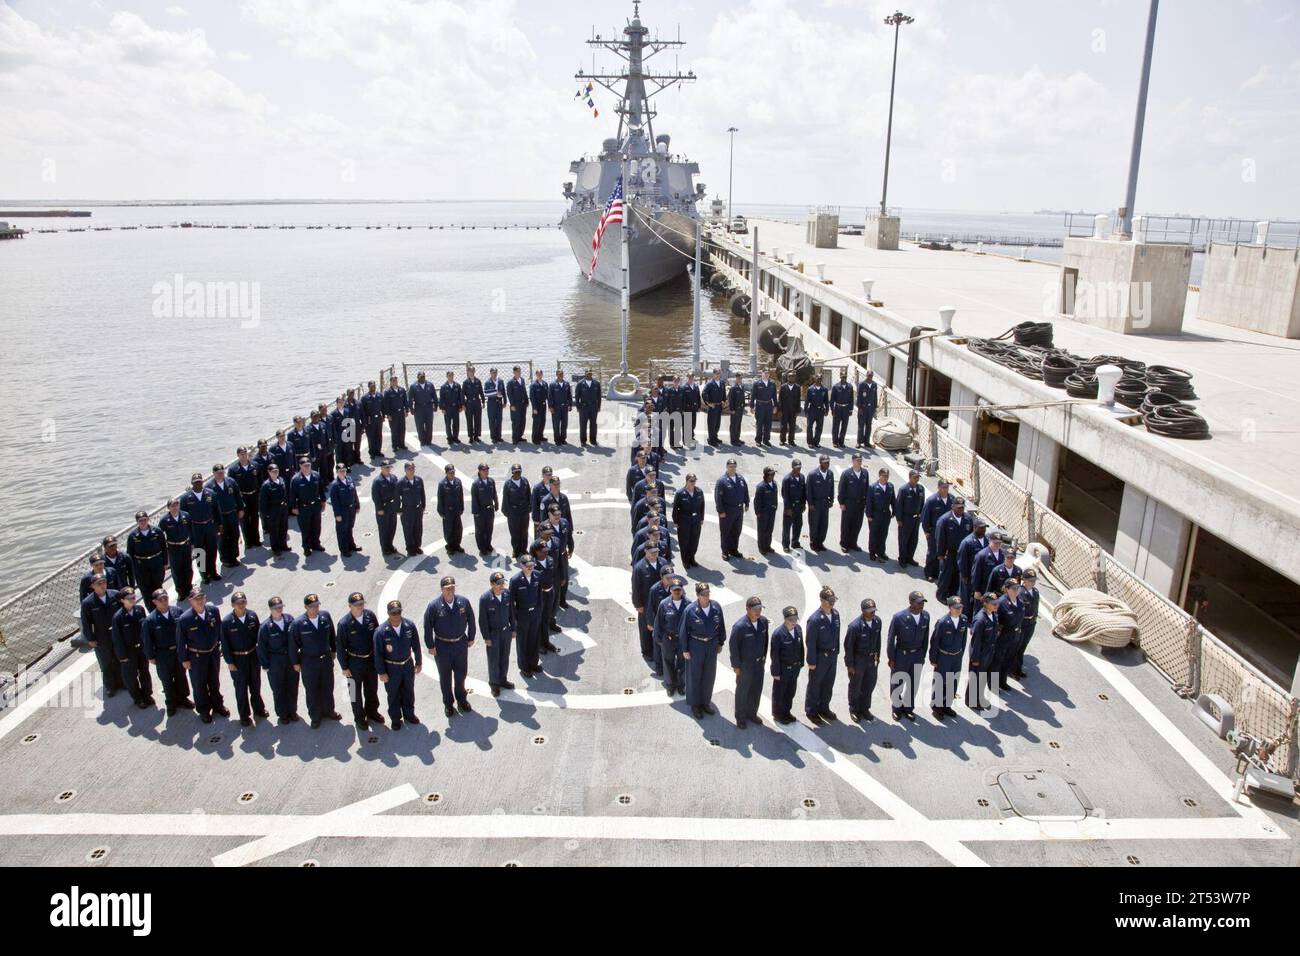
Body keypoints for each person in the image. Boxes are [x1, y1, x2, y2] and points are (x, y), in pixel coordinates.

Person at [424, 575, 476, 718]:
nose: (450, 590)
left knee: (461, 674)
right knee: (445, 677)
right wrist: (430, 645)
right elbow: (427, 627)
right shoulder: (434, 606)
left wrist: (471, 637)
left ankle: (462, 699)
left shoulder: (463, 602)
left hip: (460, 644)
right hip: (442, 646)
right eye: (447, 588)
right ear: (442, 589)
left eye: (452, 587)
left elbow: (471, 619)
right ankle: (448, 704)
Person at [289, 593, 341, 729]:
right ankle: (315, 716)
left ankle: (329, 711)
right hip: (309, 662)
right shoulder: (298, 623)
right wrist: (295, 663)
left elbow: (332, 635)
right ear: (306, 607)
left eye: (317, 605)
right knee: (312, 690)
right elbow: (293, 645)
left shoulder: (325, 616)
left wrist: (334, 650)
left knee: (328, 686)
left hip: (325, 659)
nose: (315, 608)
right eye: (312, 606)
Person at [178, 587, 229, 724]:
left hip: (213, 653)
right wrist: (184, 659)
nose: (199, 600)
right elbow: (180, 641)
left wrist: (223, 646)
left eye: (201, 597)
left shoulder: (213, 611)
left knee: (214, 681)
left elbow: (220, 630)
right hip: (197, 657)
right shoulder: (185, 619)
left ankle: (218, 705)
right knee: (199, 684)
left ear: (205, 598)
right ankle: (204, 710)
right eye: (196, 598)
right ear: (190, 601)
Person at [143, 589, 194, 716]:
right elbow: (147, 640)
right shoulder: (150, 620)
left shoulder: (177, 611)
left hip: (178, 651)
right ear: (154, 602)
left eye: (165, 598)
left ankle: (183, 698)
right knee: (166, 680)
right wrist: (150, 656)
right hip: (162, 654)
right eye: (161, 599)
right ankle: (171, 704)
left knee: (181, 676)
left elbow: (186, 630)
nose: (164, 601)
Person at [337, 591, 384, 731]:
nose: (360, 607)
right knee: (354, 692)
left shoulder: (370, 616)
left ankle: (372, 712)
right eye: (356, 605)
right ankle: (359, 717)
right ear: (349, 606)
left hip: (370, 660)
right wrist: (344, 667)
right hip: (353, 662)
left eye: (361, 604)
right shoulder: (344, 624)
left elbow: (377, 637)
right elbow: (340, 647)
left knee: (372, 688)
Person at [679, 582, 725, 719]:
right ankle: (695, 705)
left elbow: (721, 625)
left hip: (711, 645)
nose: (706, 597)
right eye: (703, 594)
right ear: (698, 595)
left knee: (709, 675)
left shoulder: (716, 607)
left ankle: (705, 702)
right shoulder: (690, 610)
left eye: (708, 594)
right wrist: (685, 649)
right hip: (696, 646)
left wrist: (721, 642)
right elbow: (683, 631)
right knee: (695, 676)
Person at [221, 591, 267, 727]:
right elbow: (225, 644)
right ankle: (244, 715)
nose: (241, 605)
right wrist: (230, 662)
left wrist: (261, 656)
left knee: (255, 686)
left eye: (243, 602)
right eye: (237, 603)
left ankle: (259, 709)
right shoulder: (227, 622)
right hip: (238, 659)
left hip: (252, 656)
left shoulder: (252, 616)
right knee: (241, 689)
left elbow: (259, 638)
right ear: (232, 605)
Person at [375, 599, 422, 729]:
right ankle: (396, 719)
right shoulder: (381, 632)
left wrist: (418, 662)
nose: (396, 615)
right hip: (391, 667)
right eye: (393, 613)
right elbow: (378, 654)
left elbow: (416, 646)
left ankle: (409, 714)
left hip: (407, 665)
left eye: (398, 612)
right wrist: (381, 672)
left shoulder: (409, 626)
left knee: (408, 691)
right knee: (393, 694)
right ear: (388, 614)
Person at [256, 595, 300, 725]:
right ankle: (283, 714)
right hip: (275, 661)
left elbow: (296, 638)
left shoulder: (289, 620)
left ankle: (292, 711)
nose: (279, 610)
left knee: (293, 686)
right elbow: (261, 647)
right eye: (276, 608)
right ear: (270, 609)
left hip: (290, 658)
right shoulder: (265, 627)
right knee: (278, 689)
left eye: (280, 607)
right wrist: (265, 665)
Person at [887, 590, 929, 721]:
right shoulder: (899, 617)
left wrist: (923, 656)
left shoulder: (926, 616)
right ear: (911, 603)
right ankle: (896, 708)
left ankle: (908, 708)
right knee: (897, 683)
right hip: (902, 655)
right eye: (918, 603)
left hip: (917, 655)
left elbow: (926, 638)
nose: (921, 605)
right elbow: (890, 639)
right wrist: (891, 658)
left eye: (922, 602)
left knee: (913, 684)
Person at [81, 574, 124, 701]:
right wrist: (90, 638)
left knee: (119, 657)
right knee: (105, 662)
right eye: (98, 583)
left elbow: (123, 613)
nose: (102, 585)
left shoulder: (115, 595)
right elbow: (86, 622)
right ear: (92, 586)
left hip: (116, 634)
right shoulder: (88, 602)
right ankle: (110, 686)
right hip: (101, 636)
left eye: (104, 582)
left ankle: (122, 682)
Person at [110, 587, 153, 709]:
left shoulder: (140, 610)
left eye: (134, 597)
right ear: (122, 600)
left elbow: (145, 630)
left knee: (145, 673)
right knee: (131, 676)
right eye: (130, 599)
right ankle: (138, 698)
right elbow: (117, 639)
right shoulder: (118, 617)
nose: (133, 600)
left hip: (141, 649)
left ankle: (147, 694)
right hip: (129, 652)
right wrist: (122, 656)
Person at [729, 596, 769, 729]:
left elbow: (765, 642)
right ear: (747, 609)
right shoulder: (740, 626)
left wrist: (764, 658)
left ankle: (752, 713)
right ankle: (740, 717)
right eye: (755, 609)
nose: (758, 612)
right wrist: (736, 666)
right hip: (745, 666)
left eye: (760, 609)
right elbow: (733, 648)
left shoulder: (763, 622)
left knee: (756, 690)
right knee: (742, 692)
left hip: (759, 664)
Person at [804, 586, 841, 724]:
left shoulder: (836, 615)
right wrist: (811, 661)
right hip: (820, 657)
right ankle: (811, 711)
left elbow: (837, 635)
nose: (832, 602)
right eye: (829, 600)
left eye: (833, 599)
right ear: (822, 600)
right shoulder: (815, 619)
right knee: (815, 685)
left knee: (828, 684)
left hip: (832, 656)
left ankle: (824, 708)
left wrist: (836, 652)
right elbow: (810, 642)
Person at [929, 597, 968, 719]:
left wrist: (961, 654)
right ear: (950, 607)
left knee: (953, 682)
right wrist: (934, 659)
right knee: (940, 682)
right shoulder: (943, 622)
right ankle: (937, 708)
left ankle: (947, 705)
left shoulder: (964, 620)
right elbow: (935, 641)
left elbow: (964, 639)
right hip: (944, 656)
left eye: (960, 607)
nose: (959, 610)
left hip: (956, 657)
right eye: (956, 608)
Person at [179, 471, 221, 584]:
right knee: (199, 552)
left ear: (202, 482)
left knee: (212, 549)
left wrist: (219, 525)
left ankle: (213, 571)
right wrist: (187, 533)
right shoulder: (185, 498)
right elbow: (183, 517)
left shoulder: (210, 493)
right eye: (195, 482)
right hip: (195, 528)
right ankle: (204, 574)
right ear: (192, 483)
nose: (198, 484)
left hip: (209, 526)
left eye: (199, 482)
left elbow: (217, 510)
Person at [479, 571, 516, 697]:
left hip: (506, 632)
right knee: (494, 660)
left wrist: (514, 629)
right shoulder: (485, 599)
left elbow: (512, 612)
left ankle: (503, 680)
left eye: (502, 583)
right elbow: (482, 620)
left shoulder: (507, 594)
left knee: (504, 657)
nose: (501, 585)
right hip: (493, 634)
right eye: (498, 583)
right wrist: (486, 637)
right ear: (492, 584)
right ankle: (494, 684)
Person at [844, 598, 881, 722]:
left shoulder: (877, 622)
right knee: (856, 686)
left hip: (872, 660)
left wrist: (878, 658)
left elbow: (878, 641)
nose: (873, 613)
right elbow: (848, 647)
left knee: (869, 685)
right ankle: (854, 709)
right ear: (863, 611)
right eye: (870, 611)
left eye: (874, 611)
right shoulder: (855, 626)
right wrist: (850, 665)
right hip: (859, 660)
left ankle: (865, 708)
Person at [632, 543, 668, 664]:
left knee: (660, 626)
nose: (654, 554)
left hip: (661, 602)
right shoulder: (639, 568)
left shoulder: (663, 563)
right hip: (646, 604)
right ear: (646, 552)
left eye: (656, 551)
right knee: (645, 628)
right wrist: (638, 605)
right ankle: (647, 651)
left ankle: (659, 649)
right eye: (652, 552)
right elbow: (636, 588)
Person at [654, 576, 690, 696]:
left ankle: (681, 685)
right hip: (668, 638)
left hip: (682, 639)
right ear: (670, 590)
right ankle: (670, 686)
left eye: (679, 589)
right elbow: (658, 622)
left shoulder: (688, 604)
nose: (677, 592)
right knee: (668, 662)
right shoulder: (664, 604)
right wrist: (658, 638)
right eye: (674, 589)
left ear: (682, 590)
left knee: (682, 663)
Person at [769, 606, 805, 725]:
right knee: (780, 693)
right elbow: (774, 655)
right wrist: (776, 672)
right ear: (785, 619)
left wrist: (801, 662)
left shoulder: (798, 629)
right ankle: (778, 714)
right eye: (791, 620)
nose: (793, 622)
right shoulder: (778, 634)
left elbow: (801, 648)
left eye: (795, 619)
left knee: (790, 692)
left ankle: (786, 712)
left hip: (794, 668)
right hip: (783, 669)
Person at [510, 555, 544, 678]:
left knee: (534, 640)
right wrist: (514, 620)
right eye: (527, 566)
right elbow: (511, 603)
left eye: (532, 565)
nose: (530, 568)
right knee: (522, 642)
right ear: (522, 566)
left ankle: (533, 663)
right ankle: (524, 667)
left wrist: (539, 611)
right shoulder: (515, 580)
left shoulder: (537, 576)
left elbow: (540, 595)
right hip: (522, 615)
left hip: (534, 614)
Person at [126, 510, 167, 607]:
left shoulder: (157, 532)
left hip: (156, 563)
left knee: (158, 587)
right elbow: (130, 554)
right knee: (146, 590)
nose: (143, 522)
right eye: (140, 521)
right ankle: (151, 609)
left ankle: (160, 606)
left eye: (144, 519)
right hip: (141, 566)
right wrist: (133, 569)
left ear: (148, 519)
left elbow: (164, 548)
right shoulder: (133, 536)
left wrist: (165, 563)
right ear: (137, 522)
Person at [934, 498, 972, 602]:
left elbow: (971, 536)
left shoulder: (968, 519)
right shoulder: (945, 520)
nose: (960, 510)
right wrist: (940, 554)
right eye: (958, 507)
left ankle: (952, 596)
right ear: (953, 507)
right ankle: (941, 595)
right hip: (949, 552)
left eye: (962, 508)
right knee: (946, 575)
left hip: (962, 554)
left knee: (957, 576)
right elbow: (940, 538)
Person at [968, 593, 1000, 712]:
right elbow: (975, 642)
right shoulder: (980, 619)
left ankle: (979, 697)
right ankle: (971, 701)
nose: (996, 605)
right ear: (985, 603)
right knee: (976, 678)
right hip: (980, 655)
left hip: (988, 653)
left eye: (996, 603)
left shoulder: (993, 615)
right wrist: (975, 659)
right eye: (993, 603)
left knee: (982, 678)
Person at [160, 497, 194, 601]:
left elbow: (191, 529)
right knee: (177, 571)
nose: (175, 507)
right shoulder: (165, 520)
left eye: (176, 504)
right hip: (174, 548)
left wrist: (192, 543)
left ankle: (189, 588)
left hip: (186, 546)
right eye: (172, 506)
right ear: (168, 508)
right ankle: (181, 592)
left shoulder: (185, 515)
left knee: (188, 568)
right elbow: (161, 536)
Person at [714, 459, 749, 560]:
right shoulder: (722, 481)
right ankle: (725, 551)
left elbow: (745, 491)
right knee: (725, 532)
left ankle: (733, 549)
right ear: (727, 467)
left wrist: (747, 503)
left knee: (736, 531)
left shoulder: (741, 478)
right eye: (730, 466)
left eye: (734, 466)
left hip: (739, 510)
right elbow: (718, 498)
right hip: (727, 511)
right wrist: (721, 511)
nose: (732, 468)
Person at [994, 579, 1025, 692]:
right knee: (998, 661)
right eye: (1013, 588)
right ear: (1007, 589)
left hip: (1015, 636)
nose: (1017, 590)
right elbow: (996, 621)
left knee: (1008, 660)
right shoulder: (1001, 603)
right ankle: (993, 684)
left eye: (1018, 588)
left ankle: (1002, 682)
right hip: (1004, 636)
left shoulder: (1020, 601)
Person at [290, 456, 325, 555]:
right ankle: (306, 547)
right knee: (305, 529)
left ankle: (316, 544)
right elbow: (292, 495)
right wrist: (294, 507)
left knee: (316, 527)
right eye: (305, 466)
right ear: (300, 466)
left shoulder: (316, 475)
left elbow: (321, 489)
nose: (307, 467)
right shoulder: (296, 479)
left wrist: (323, 501)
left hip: (315, 506)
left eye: (308, 465)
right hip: (303, 507)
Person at [230, 446, 262, 551]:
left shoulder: (255, 465)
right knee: (244, 520)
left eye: (245, 453)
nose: (244, 455)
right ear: (238, 455)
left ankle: (256, 540)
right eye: (241, 453)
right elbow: (232, 486)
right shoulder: (233, 470)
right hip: (242, 497)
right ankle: (248, 542)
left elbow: (260, 480)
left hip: (254, 495)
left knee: (255, 518)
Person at [920, 479, 953, 582]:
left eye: (947, 487)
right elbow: (925, 517)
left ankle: (936, 572)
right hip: (934, 531)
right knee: (932, 552)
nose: (945, 489)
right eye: (943, 487)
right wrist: (926, 531)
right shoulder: (932, 500)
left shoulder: (951, 499)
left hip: (947, 532)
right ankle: (929, 572)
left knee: (942, 553)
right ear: (938, 487)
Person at [1011, 569, 1041, 680]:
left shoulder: (1036, 592)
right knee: (1017, 647)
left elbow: (1036, 607)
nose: (1033, 583)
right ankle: (1014, 670)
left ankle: (1017, 668)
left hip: (1031, 623)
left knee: (1023, 646)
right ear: (1024, 580)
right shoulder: (1019, 592)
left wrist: (1034, 620)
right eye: (1030, 580)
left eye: (1034, 580)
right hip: (1022, 624)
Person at [327, 463, 362, 556]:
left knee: (350, 528)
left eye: (344, 471)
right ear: (337, 472)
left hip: (351, 509)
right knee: (342, 531)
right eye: (340, 471)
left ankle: (351, 545)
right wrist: (337, 515)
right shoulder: (335, 485)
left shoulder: (349, 479)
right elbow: (334, 502)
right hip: (342, 511)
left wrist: (357, 505)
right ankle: (344, 549)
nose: (342, 473)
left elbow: (354, 494)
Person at [672, 473, 705, 568]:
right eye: (691, 481)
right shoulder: (680, 493)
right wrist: (675, 521)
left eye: (694, 481)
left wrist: (702, 518)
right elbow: (675, 509)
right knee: (684, 541)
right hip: (684, 520)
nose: (693, 483)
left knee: (694, 540)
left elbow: (702, 506)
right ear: (686, 481)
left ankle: (692, 558)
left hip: (696, 520)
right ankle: (685, 560)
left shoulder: (699, 492)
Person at [957, 517, 990, 612]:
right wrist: (964, 575)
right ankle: (964, 615)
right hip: (969, 575)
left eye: (984, 528)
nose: (983, 530)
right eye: (981, 528)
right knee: (965, 597)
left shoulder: (987, 541)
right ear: (974, 528)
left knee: (978, 597)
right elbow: (961, 560)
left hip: (981, 575)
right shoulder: (967, 542)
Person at [837, 454, 868, 551]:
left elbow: (866, 488)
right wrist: (841, 503)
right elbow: (841, 489)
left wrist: (866, 503)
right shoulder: (846, 474)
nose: (859, 462)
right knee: (846, 524)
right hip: (849, 504)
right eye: (857, 460)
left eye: (860, 460)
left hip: (860, 504)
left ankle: (853, 543)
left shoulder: (865, 473)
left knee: (857, 524)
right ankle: (844, 544)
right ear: (853, 461)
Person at [259, 464, 291, 557]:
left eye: (277, 471)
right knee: (274, 530)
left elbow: (285, 494)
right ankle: (276, 548)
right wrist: (266, 515)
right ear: (269, 472)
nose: (275, 473)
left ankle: (283, 545)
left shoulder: (281, 480)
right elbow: (263, 502)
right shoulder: (266, 485)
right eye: (273, 471)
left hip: (283, 508)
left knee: (283, 527)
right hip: (273, 510)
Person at [896, 469, 926, 568]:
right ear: (910, 478)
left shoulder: (921, 489)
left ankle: (910, 557)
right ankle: (902, 559)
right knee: (904, 540)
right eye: (915, 477)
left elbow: (922, 503)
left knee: (913, 539)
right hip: (906, 518)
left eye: (918, 477)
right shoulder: (904, 489)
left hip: (916, 518)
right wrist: (899, 519)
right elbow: (899, 505)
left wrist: (921, 515)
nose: (917, 479)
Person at [397, 461, 427, 556]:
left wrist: (423, 506)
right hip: (407, 509)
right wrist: (398, 510)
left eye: (413, 468)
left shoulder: (419, 480)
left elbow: (422, 494)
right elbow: (397, 497)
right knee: (408, 529)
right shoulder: (401, 483)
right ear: (405, 470)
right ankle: (410, 548)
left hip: (418, 509)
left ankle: (417, 546)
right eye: (409, 469)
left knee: (418, 529)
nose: (411, 470)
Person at [371, 459, 400, 555]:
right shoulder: (377, 481)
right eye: (386, 468)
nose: (388, 469)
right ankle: (385, 547)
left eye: (389, 467)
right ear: (382, 468)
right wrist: (379, 509)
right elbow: (375, 496)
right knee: (384, 529)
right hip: (383, 508)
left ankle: (390, 544)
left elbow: (397, 492)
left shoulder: (394, 478)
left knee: (392, 527)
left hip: (392, 507)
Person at [807, 455, 835, 551]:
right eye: (825, 462)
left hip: (825, 503)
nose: (827, 464)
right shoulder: (812, 474)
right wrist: (810, 504)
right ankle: (813, 543)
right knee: (814, 524)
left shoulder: (830, 473)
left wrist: (831, 499)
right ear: (820, 463)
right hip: (815, 503)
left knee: (824, 525)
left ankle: (820, 542)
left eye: (828, 462)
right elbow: (808, 491)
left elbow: (832, 488)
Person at [867, 467, 895, 562]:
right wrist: (869, 515)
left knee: (883, 535)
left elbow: (893, 501)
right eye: (884, 476)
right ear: (879, 476)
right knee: (874, 534)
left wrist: (894, 511)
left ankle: (881, 552)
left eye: (887, 476)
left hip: (885, 515)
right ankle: (872, 552)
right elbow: (869, 502)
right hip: (875, 515)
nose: (886, 478)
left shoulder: (890, 486)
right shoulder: (873, 487)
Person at [503, 464, 532, 557]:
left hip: (524, 511)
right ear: (512, 473)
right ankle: (516, 550)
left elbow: (528, 495)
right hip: (513, 512)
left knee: (524, 531)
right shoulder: (508, 484)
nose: (518, 474)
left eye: (519, 472)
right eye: (516, 472)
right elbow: (505, 499)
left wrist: (529, 508)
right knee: (514, 532)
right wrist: (507, 512)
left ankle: (523, 549)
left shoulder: (525, 481)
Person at [970, 533, 1006, 607]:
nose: (997, 545)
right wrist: (977, 590)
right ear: (989, 541)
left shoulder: (1004, 554)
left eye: (999, 543)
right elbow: (976, 574)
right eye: (995, 542)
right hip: (984, 588)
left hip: (998, 589)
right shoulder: (981, 555)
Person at [437, 464, 465, 554]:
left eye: (453, 472)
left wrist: (461, 507)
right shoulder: (442, 484)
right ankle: (450, 547)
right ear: (446, 473)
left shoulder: (458, 482)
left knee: (458, 529)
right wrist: (441, 512)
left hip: (456, 510)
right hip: (447, 511)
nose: (452, 474)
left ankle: (457, 545)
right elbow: (440, 498)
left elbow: (461, 495)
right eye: (450, 473)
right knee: (448, 530)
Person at [471, 462, 499, 555]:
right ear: (479, 471)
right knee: (480, 530)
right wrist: (476, 512)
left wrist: (496, 503)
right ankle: (482, 547)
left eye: (487, 469)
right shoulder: (476, 484)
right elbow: (474, 499)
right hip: (480, 511)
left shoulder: (491, 481)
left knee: (489, 529)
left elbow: (494, 493)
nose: (486, 471)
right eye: (484, 470)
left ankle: (488, 544)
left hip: (489, 509)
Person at [781, 459, 807, 551]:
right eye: (796, 467)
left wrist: (803, 504)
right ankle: (785, 545)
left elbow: (804, 492)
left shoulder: (802, 477)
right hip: (790, 508)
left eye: (799, 467)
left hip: (799, 507)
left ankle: (795, 542)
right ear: (792, 467)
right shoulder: (787, 479)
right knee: (787, 527)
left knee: (798, 525)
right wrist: (788, 508)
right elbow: (785, 494)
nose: (798, 469)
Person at [752, 466, 779, 554]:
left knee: (769, 530)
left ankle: (767, 546)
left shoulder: (774, 484)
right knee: (762, 531)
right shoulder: (761, 487)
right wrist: (758, 512)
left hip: (771, 512)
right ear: (766, 475)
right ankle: (762, 547)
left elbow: (775, 497)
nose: (773, 476)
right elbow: (757, 501)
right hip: (763, 513)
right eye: (771, 474)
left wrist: (775, 507)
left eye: (773, 474)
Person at [409, 371, 438, 446]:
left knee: (429, 424)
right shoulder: (413, 386)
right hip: (419, 408)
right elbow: (410, 399)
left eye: (423, 376)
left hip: (428, 407)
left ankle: (428, 440)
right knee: (420, 425)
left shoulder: (430, 385)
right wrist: (411, 409)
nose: (422, 378)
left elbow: (434, 396)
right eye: (421, 376)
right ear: (417, 377)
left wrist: (436, 405)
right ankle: (422, 440)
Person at [575, 368, 602, 445]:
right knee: (583, 424)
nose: (589, 374)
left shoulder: (596, 383)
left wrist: (599, 406)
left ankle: (593, 440)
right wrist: (578, 407)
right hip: (584, 407)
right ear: (585, 374)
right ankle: (583, 441)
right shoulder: (580, 384)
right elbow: (577, 396)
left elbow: (599, 396)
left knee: (593, 424)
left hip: (593, 407)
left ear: (592, 373)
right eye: (587, 373)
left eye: (590, 373)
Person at [360, 381, 385, 459]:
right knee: (371, 437)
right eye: (371, 386)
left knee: (379, 435)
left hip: (379, 419)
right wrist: (364, 422)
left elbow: (383, 406)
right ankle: (372, 452)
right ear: (368, 387)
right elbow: (362, 411)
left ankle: (378, 451)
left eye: (374, 386)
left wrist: (383, 416)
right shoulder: (364, 398)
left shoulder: (379, 395)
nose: (373, 387)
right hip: (370, 419)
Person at [830, 369, 854, 447]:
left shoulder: (850, 387)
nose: (844, 378)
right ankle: (835, 441)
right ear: (840, 376)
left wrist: (851, 409)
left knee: (844, 426)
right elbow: (832, 399)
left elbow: (851, 399)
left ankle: (841, 441)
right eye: (842, 376)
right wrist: (832, 409)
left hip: (846, 408)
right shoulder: (835, 386)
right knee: (836, 426)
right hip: (838, 408)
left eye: (845, 376)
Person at [752, 369, 776, 446]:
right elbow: (753, 396)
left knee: (768, 424)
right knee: (759, 423)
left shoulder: (772, 384)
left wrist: (775, 406)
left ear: (769, 374)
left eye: (768, 373)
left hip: (769, 405)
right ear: (761, 374)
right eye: (765, 373)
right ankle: (758, 440)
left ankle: (766, 440)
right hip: (760, 406)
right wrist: (752, 407)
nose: (766, 375)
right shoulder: (757, 384)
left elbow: (774, 396)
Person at [549, 369, 573, 445]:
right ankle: (557, 440)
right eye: (559, 374)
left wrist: (570, 405)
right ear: (556, 375)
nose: (561, 375)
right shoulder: (552, 385)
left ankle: (563, 439)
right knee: (556, 425)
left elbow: (569, 395)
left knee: (564, 424)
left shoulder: (566, 384)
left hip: (565, 407)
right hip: (556, 408)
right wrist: (551, 407)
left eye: (562, 374)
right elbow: (550, 397)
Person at [702, 368, 726, 445]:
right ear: (714, 374)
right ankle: (711, 440)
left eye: (719, 373)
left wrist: (724, 401)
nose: (718, 375)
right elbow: (704, 393)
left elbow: (724, 393)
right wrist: (708, 403)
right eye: (717, 373)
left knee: (717, 423)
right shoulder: (710, 384)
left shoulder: (722, 383)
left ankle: (715, 437)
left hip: (719, 406)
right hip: (713, 407)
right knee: (711, 424)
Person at [439, 371, 464, 445]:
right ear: (447, 376)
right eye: (449, 376)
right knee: (448, 424)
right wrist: (442, 408)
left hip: (456, 408)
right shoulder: (443, 387)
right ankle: (449, 438)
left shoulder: (457, 386)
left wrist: (461, 406)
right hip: (447, 408)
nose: (451, 377)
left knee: (456, 423)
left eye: (452, 375)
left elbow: (460, 397)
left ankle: (455, 437)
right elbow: (441, 399)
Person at [507, 366, 529, 444]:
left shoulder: (522, 380)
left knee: (522, 421)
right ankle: (515, 438)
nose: (519, 373)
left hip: (523, 405)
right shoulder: (510, 382)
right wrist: (512, 405)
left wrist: (527, 400)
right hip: (515, 406)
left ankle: (520, 436)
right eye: (517, 371)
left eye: (520, 371)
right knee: (516, 422)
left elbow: (524, 391)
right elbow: (509, 394)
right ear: (514, 372)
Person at [804, 375, 828, 447]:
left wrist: (827, 409)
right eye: (817, 378)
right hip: (812, 410)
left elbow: (826, 401)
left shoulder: (824, 389)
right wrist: (805, 410)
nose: (819, 380)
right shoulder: (810, 389)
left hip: (820, 410)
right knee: (809, 427)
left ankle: (816, 442)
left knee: (819, 427)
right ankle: (810, 442)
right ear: (814, 379)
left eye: (820, 378)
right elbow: (807, 401)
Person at [856, 369, 878, 447]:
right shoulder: (862, 384)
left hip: (870, 409)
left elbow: (875, 397)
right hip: (863, 408)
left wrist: (875, 408)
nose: (870, 377)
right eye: (869, 375)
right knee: (861, 425)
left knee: (869, 426)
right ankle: (859, 442)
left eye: (871, 376)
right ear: (866, 375)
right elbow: (858, 397)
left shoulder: (874, 385)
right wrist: (859, 408)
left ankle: (866, 442)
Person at [463, 364, 485, 442]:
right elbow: (462, 394)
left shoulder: (478, 381)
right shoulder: (465, 382)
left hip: (477, 403)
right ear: (468, 372)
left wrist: (483, 402)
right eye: (470, 371)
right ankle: (471, 437)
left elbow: (481, 392)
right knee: (469, 420)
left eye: (473, 371)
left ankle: (476, 436)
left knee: (477, 420)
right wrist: (463, 405)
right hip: (469, 403)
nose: (471, 373)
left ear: (474, 372)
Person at [777, 373, 801, 445]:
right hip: (784, 410)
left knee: (792, 426)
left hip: (793, 411)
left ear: (795, 378)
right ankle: (782, 440)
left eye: (793, 377)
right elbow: (780, 399)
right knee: (783, 426)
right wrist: (780, 410)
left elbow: (798, 400)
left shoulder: (797, 387)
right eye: (790, 377)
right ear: (787, 378)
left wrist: (797, 410)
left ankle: (791, 440)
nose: (791, 378)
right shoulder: (783, 387)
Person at [484, 367, 506, 443]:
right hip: (491, 404)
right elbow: (486, 394)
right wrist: (495, 393)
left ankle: (499, 436)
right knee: (492, 421)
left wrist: (505, 402)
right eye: (493, 372)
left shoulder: (500, 381)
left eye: (495, 372)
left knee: (499, 420)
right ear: (490, 373)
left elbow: (503, 392)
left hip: (499, 404)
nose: (494, 374)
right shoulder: (487, 382)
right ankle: (493, 437)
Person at [727, 371, 748, 445]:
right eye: (738, 378)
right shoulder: (733, 388)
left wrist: (744, 406)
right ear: (736, 378)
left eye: (741, 378)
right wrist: (731, 409)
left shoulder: (741, 386)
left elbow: (742, 398)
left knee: (738, 424)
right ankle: (733, 440)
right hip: (735, 409)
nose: (740, 379)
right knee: (734, 425)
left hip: (740, 409)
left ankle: (737, 438)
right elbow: (730, 399)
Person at [529, 369, 549, 443]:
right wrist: (534, 408)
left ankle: (540, 436)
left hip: (543, 406)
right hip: (536, 406)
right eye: (538, 374)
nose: (539, 375)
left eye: (541, 374)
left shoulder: (545, 383)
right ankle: (535, 439)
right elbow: (532, 397)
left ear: (542, 375)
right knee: (536, 423)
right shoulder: (533, 385)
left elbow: (548, 395)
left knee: (542, 421)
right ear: (536, 375)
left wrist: (550, 405)